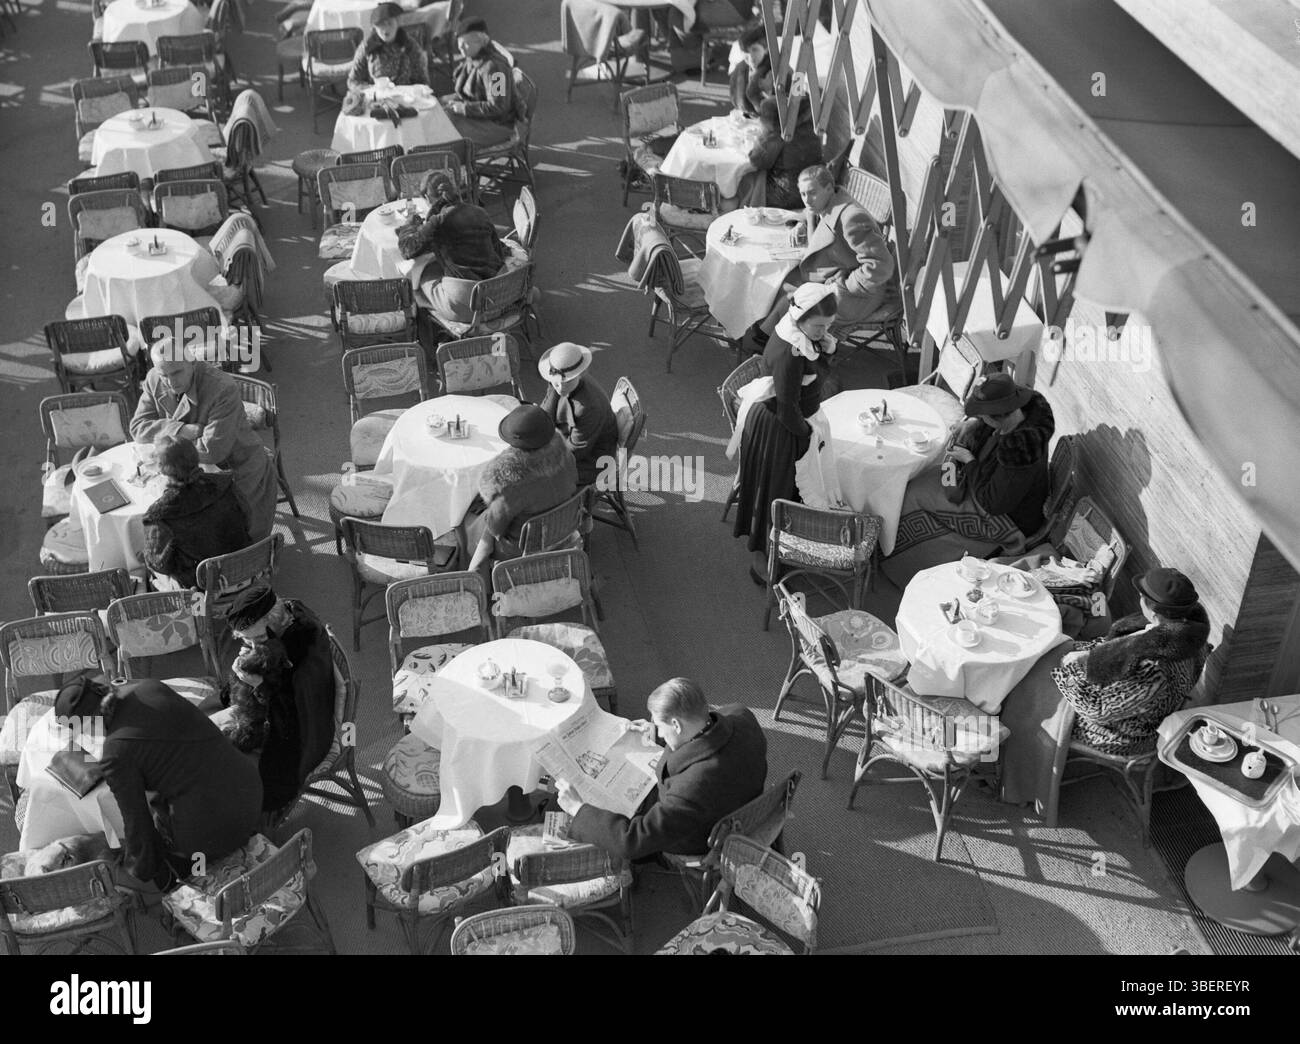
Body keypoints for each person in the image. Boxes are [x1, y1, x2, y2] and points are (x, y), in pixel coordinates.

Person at [999, 568, 1211, 823]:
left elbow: (1096, 710)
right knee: (1051, 655)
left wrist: (1067, 672)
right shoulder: (1188, 634)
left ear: (1151, 610)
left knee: (1030, 709)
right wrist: (1085, 655)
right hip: (1134, 704)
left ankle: (1020, 781)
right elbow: (1121, 648)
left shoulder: (1155, 669)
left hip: (1123, 732)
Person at [53, 675, 262, 892]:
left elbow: (137, 822)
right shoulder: (150, 686)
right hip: (250, 792)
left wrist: (138, 870)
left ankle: (184, 881)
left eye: (81, 730)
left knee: (162, 829)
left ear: (90, 722)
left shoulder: (115, 753)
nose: (86, 736)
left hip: (211, 832)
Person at [557, 678, 767, 861]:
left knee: (614, 820)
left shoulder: (691, 787)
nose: (658, 730)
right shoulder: (742, 715)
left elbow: (632, 841)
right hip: (739, 800)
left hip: (697, 837)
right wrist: (655, 733)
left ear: (676, 725)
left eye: (659, 725)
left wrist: (577, 809)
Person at [883, 372, 1054, 587]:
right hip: (986, 486)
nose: (981, 419)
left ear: (997, 417)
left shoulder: (1020, 452)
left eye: (984, 417)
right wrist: (973, 424)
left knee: (913, 498)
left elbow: (994, 503)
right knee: (919, 484)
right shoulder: (1018, 413)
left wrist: (970, 461)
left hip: (1008, 517)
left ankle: (915, 575)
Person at [732, 283, 838, 582]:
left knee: (782, 490)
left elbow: (815, 372)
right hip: (780, 429)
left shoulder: (798, 333)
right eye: (819, 326)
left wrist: (826, 347)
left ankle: (780, 547)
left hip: (785, 423)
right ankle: (762, 560)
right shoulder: (791, 352)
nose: (824, 332)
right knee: (776, 492)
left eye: (828, 326)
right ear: (801, 318)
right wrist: (806, 436)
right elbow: (787, 406)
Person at [130, 341, 279, 541]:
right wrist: (182, 430)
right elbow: (138, 427)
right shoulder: (153, 379)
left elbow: (212, 451)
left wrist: (166, 445)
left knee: (205, 527)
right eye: (164, 375)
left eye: (177, 372)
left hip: (234, 467)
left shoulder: (222, 389)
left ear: (192, 362)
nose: (171, 382)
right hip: (183, 468)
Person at [748, 163, 897, 350]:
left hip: (857, 295)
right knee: (783, 283)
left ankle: (789, 353)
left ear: (828, 188)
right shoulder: (823, 203)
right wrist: (801, 225)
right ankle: (768, 337)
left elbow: (881, 265)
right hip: (828, 274)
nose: (807, 200)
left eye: (812, 193)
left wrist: (843, 286)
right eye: (803, 194)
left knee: (800, 301)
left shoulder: (851, 218)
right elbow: (811, 215)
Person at [226, 585, 336, 814]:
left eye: (258, 639)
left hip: (308, 731)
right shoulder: (287, 612)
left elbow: (295, 707)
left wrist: (259, 686)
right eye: (248, 641)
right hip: (289, 710)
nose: (254, 646)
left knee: (248, 780)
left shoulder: (301, 644)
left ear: (274, 619)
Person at [466, 404, 578, 573]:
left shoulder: (511, 485)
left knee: (471, 527)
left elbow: (496, 528)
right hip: (563, 527)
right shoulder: (567, 456)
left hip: (521, 546)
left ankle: (475, 575)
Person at [397, 169, 508, 326]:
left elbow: (407, 250)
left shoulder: (438, 222)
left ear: (427, 198)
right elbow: (499, 250)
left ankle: (423, 316)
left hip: (467, 305)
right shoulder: (480, 211)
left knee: (419, 276)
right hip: (497, 294)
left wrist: (408, 227)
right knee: (439, 265)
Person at [142, 435, 251, 590]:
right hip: (244, 567)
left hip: (203, 587)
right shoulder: (226, 483)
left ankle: (186, 611)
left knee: (144, 564)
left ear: (161, 468)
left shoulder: (160, 514)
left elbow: (159, 564)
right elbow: (248, 520)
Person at [537, 342, 619, 488]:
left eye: (566, 381)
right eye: (556, 382)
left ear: (581, 373)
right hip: (566, 439)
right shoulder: (557, 380)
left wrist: (541, 459)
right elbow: (546, 412)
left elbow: (575, 452)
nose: (561, 387)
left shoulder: (589, 407)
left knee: (536, 479)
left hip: (592, 461)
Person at [441, 16, 517, 148]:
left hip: (497, 126)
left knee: (444, 132)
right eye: (459, 43)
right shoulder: (473, 57)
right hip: (481, 117)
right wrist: (441, 101)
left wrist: (463, 108)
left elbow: (498, 107)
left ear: (482, 42)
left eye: (466, 43)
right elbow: (467, 95)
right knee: (439, 115)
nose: (461, 48)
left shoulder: (495, 69)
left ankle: (457, 165)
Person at [744, 94, 823, 210]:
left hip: (785, 195)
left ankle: (744, 213)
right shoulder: (811, 125)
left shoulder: (780, 134)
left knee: (748, 180)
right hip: (813, 190)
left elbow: (756, 160)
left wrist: (762, 135)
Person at [347, 2, 429, 91]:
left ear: (398, 23)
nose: (385, 28)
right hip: (377, 99)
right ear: (374, 27)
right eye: (380, 24)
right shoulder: (367, 47)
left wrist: (413, 93)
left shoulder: (410, 45)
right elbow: (353, 80)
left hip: (406, 98)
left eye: (389, 23)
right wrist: (370, 90)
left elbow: (423, 81)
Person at [730, 23, 772, 116]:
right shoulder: (740, 69)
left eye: (755, 50)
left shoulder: (777, 68)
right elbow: (735, 97)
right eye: (746, 52)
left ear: (766, 49)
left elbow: (796, 99)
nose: (750, 57)